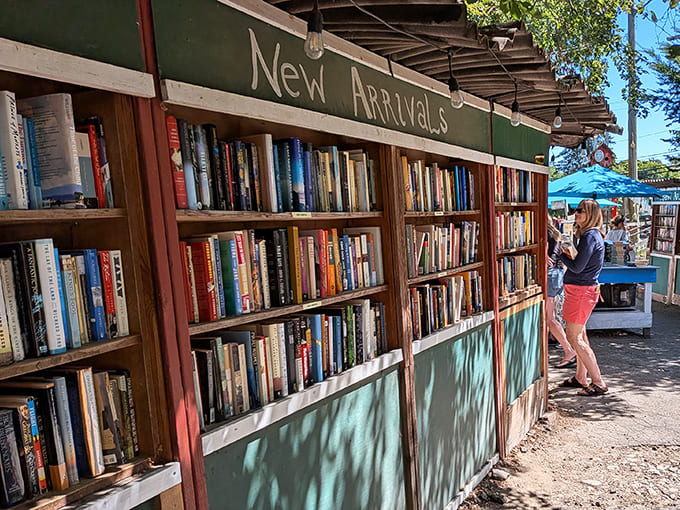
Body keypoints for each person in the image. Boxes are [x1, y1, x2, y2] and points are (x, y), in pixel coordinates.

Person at [557, 199, 608, 396]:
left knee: (574, 337)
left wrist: (560, 254)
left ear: (591, 215)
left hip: (580, 292)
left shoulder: (590, 236)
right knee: (581, 336)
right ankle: (580, 377)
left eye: (581, 211)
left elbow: (577, 267)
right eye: (576, 210)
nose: (576, 213)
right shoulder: (591, 235)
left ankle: (598, 382)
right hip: (581, 291)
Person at [547, 215, 576, 368]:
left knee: (549, 318)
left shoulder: (544, 233)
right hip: (558, 274)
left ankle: (569, 350)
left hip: (550, 274)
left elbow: (548, 256)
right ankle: (568, 349)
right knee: (549, 317)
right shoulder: (557, 234)